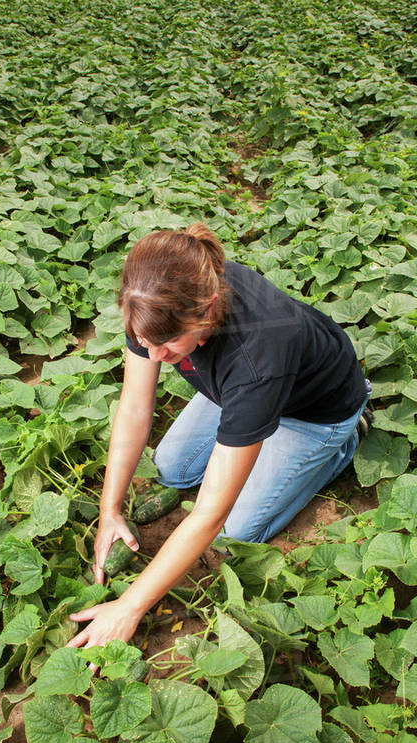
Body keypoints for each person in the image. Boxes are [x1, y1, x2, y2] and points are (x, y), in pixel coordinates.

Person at [66, 223, 370, 649]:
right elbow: (135, 407)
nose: (155, 356)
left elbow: (207, 513)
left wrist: (129, 607)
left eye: (169, 343)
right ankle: (250, 430)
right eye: (143, 341)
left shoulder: (255, 360)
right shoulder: (153, 303)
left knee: (232, 531)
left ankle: (346, 440)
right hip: (235, 393)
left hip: (312, 413)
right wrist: (109, 509)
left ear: (208, 310)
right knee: (171, 467)